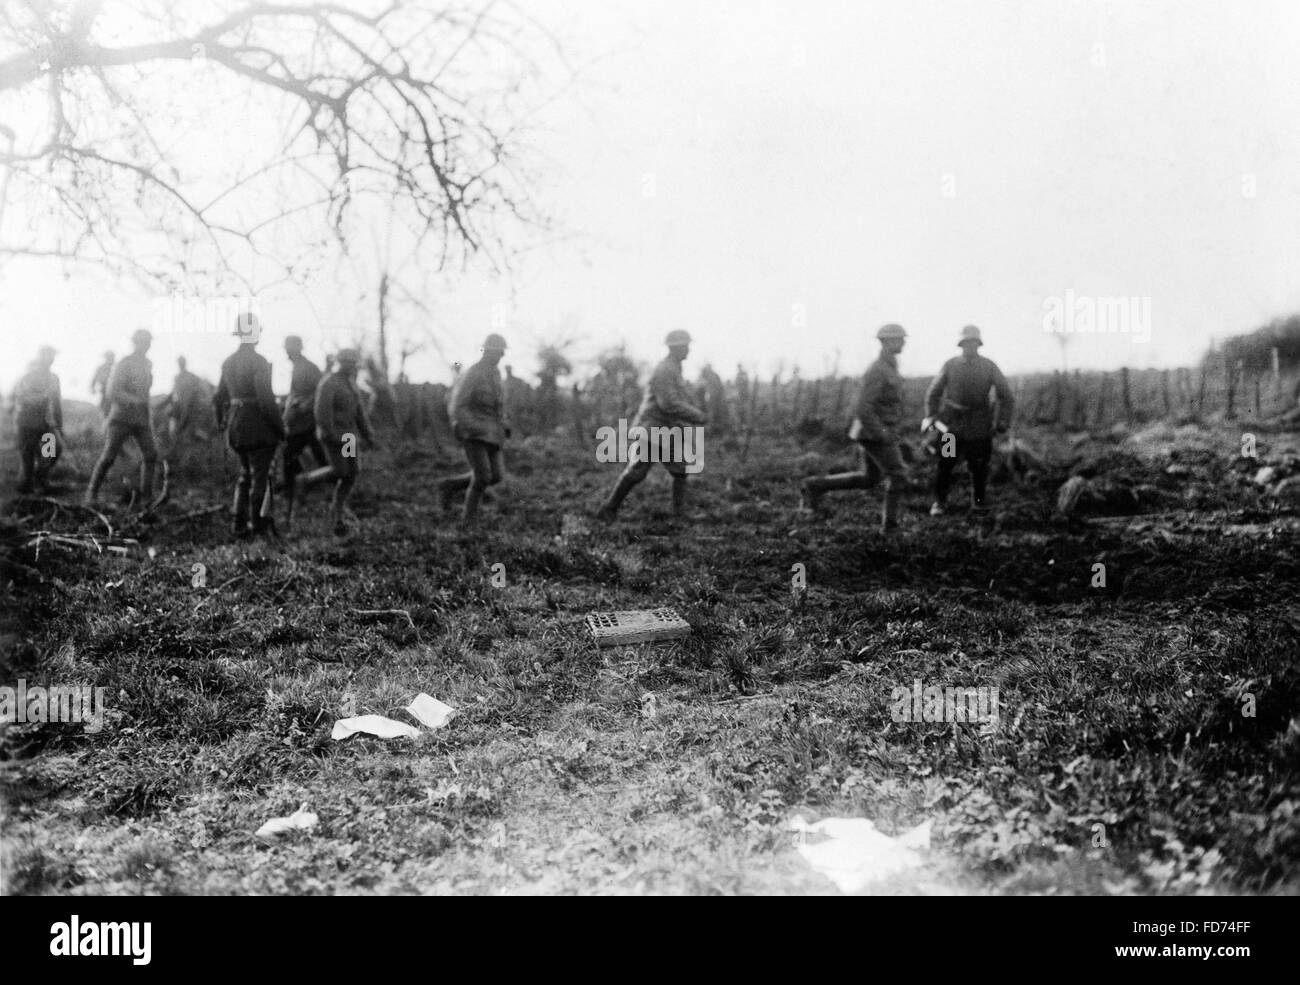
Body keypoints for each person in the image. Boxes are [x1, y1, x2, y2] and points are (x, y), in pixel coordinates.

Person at [801, 323, 909, 532]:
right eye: (899, 339)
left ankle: (814, 485)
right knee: (898, 474)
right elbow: (863, 407)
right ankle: (891, 529)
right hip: (874, 433)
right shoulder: (877, 369)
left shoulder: (890, 366)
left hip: (878, 431)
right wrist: (882, 433)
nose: (903, 342)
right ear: (886, 342)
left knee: (870, 478)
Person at [596, 329, 708, 521]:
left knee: (680, 469)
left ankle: (679, 514)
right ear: (677, 348)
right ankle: (608, 509)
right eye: (686, 346)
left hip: (665, 429)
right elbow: (668, 403)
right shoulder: (664, 370)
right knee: (637, 471)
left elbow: (676, 401)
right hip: (652, 429)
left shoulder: (674, 368)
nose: (689, 349)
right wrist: (696, 415)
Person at [923, 325, 1015, 515]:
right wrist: (931, 415)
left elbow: (1006, 395)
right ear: (961, 344)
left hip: (980, 426)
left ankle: (979, 503)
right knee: (946, 464)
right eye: (966, 343)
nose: (970, 346)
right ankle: (940, 502)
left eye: (973, 342)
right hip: (951, 428)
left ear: (979, 344)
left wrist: (1002, 421)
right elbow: (934, 392)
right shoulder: (950, 365)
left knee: (979, 466)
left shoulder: (989, 366)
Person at [213, 313, 285, 538]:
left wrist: (222, 423)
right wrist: (280, 428)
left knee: (245, 475)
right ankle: (258, 527)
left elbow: (218, 398)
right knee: (260, 477)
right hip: (258, 428)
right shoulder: (259, 361)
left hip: (236, 428)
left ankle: (238, 525)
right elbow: (266, 400)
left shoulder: (228, 362)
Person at [299, 348, 374, 536]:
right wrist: (330, 434)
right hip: (333, 436)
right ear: (340, 363)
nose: (350, 366)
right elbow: (321, 413)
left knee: (351, 473)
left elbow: (359, 412)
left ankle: (338, 513)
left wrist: (368, 435)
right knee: (340, 470)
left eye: (353, 363)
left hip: (348, 438)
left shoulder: (351, 383)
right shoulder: (328, 383)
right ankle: (306, 480)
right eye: (346, 362)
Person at [439, 334, 509, 522]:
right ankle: (468, 521)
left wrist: (504, 424)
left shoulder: (496, 374)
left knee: (496, 476)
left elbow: (499, 406)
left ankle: (450, 486)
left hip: (493, 434)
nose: (501, 356)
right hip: (475, 434)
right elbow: (457, 405)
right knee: (482, 477)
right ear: (488, 352)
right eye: (498, 352)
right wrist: (472, 427)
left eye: (502, 352)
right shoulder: (473, 373)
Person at [86, 329, 158, 510]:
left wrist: (148, 414)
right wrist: (134, 401)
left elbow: (146, 393)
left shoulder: (148, 364)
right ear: (135, 343)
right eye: (143, 342)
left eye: (148, 342)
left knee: (151, 455)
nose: (146, 345)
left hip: (141, 419)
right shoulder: (124, 363)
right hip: (121, 418)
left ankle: (146, 498)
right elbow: (112, 391)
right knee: (109, 456)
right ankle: (91, 493)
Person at [281, 334, 325, 530]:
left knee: (320, 455)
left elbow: (321, 390)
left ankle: (318, 486)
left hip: (308, 422)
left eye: (289, 350)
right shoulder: (297, 367)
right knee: (292, 455)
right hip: (298, 422)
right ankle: (297, 488)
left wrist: (305, 404)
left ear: (297, 350)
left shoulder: (309, 367)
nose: (287, 354)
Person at [12, 346, 62, 494]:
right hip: (27, 423)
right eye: (47, 355)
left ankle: (42, 479)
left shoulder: (54, 378)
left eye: (52, 356)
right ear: (40, 357)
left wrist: (59, 424)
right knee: (28, 458)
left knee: (52, 450)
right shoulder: (28, 377)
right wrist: (44, 396)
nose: (51, 359)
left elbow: (56, 402)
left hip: (45, 424)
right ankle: (25, 490)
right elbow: (24, 399)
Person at [167, 356, 207, 449]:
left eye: (181, 362)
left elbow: (197, 394)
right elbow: (172, 394)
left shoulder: (192, 377)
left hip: (191, 409)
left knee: (190, 434)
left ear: (184, 363)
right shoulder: (177, 378)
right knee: (176, 433)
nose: (180, 364)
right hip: (179, 409)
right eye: (179, 362)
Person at [90, 351, 115, 417]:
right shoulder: (101, 368)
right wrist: (92, 388)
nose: (110, 359)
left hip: (114, 393)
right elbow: (94, 378)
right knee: (105, 410)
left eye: (111, 357)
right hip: (104, 391)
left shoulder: (116, 367)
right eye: (109, 357)